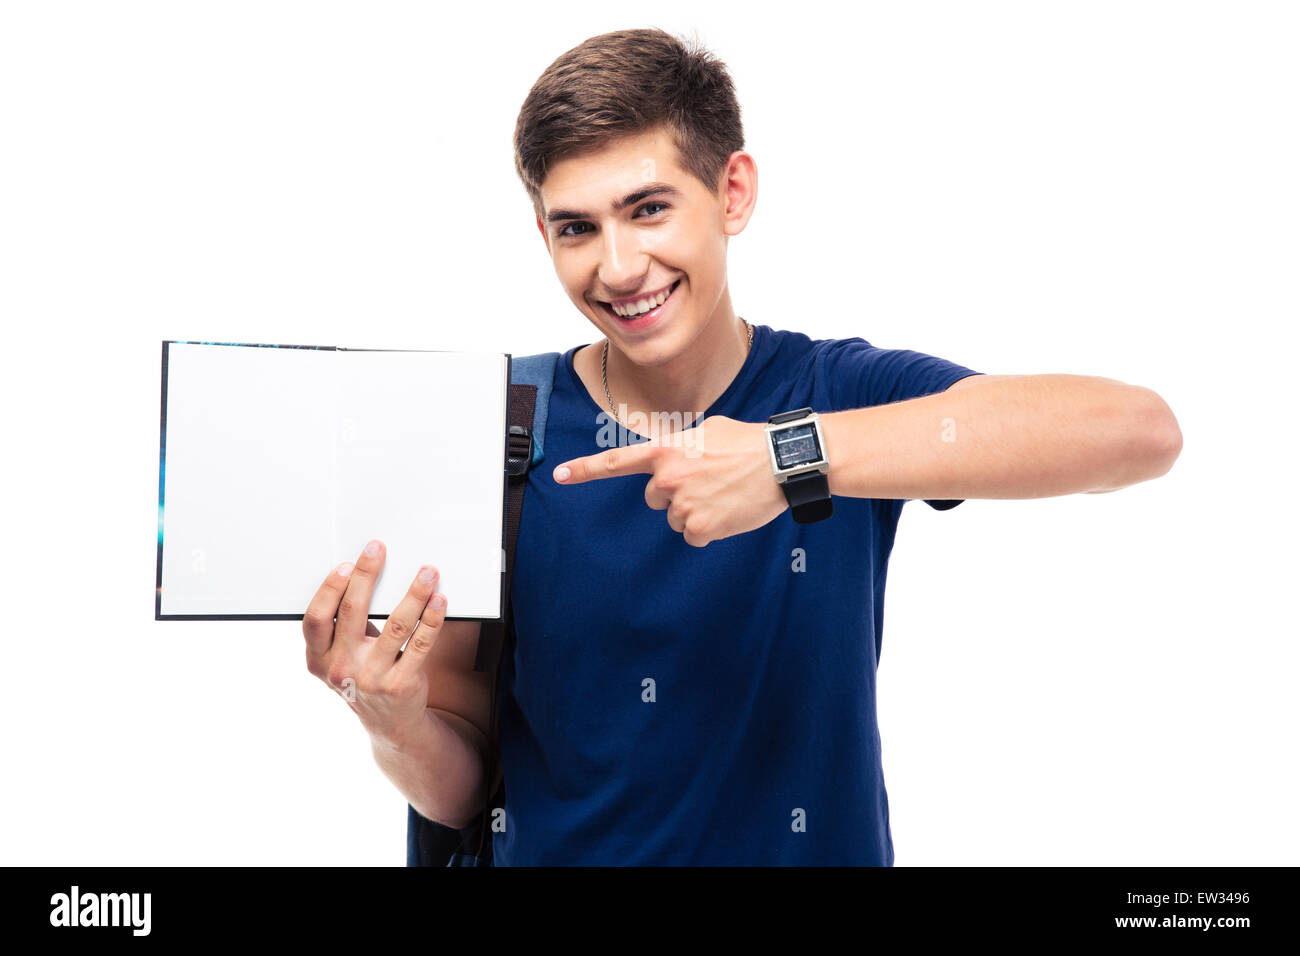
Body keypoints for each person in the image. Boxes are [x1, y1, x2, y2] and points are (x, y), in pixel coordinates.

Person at [301, 27, 1182, 865]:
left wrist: (786, 458)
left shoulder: (833, 392)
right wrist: (392, 719)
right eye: (576, 228)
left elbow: (1136, 433)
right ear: (543, 236)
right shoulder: (493, 417)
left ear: (732, 193)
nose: (617, 267)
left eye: (648, 209)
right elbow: (466, 791)